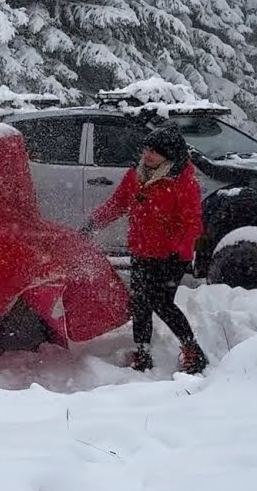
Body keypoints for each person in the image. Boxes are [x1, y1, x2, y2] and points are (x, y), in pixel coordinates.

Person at [81, 124, 208, 374]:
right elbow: (118, 204)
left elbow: (191, 222)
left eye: (154, 152)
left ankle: (193, 351)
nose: (147, 155)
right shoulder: (136, 176)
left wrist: (177, 250)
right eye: (146, 149)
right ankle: (142, 352)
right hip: (142, 250)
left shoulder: (183, 183)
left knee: (161, 303)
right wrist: (93, 223)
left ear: (169, 156)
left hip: (170, 257)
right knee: (140, 303)